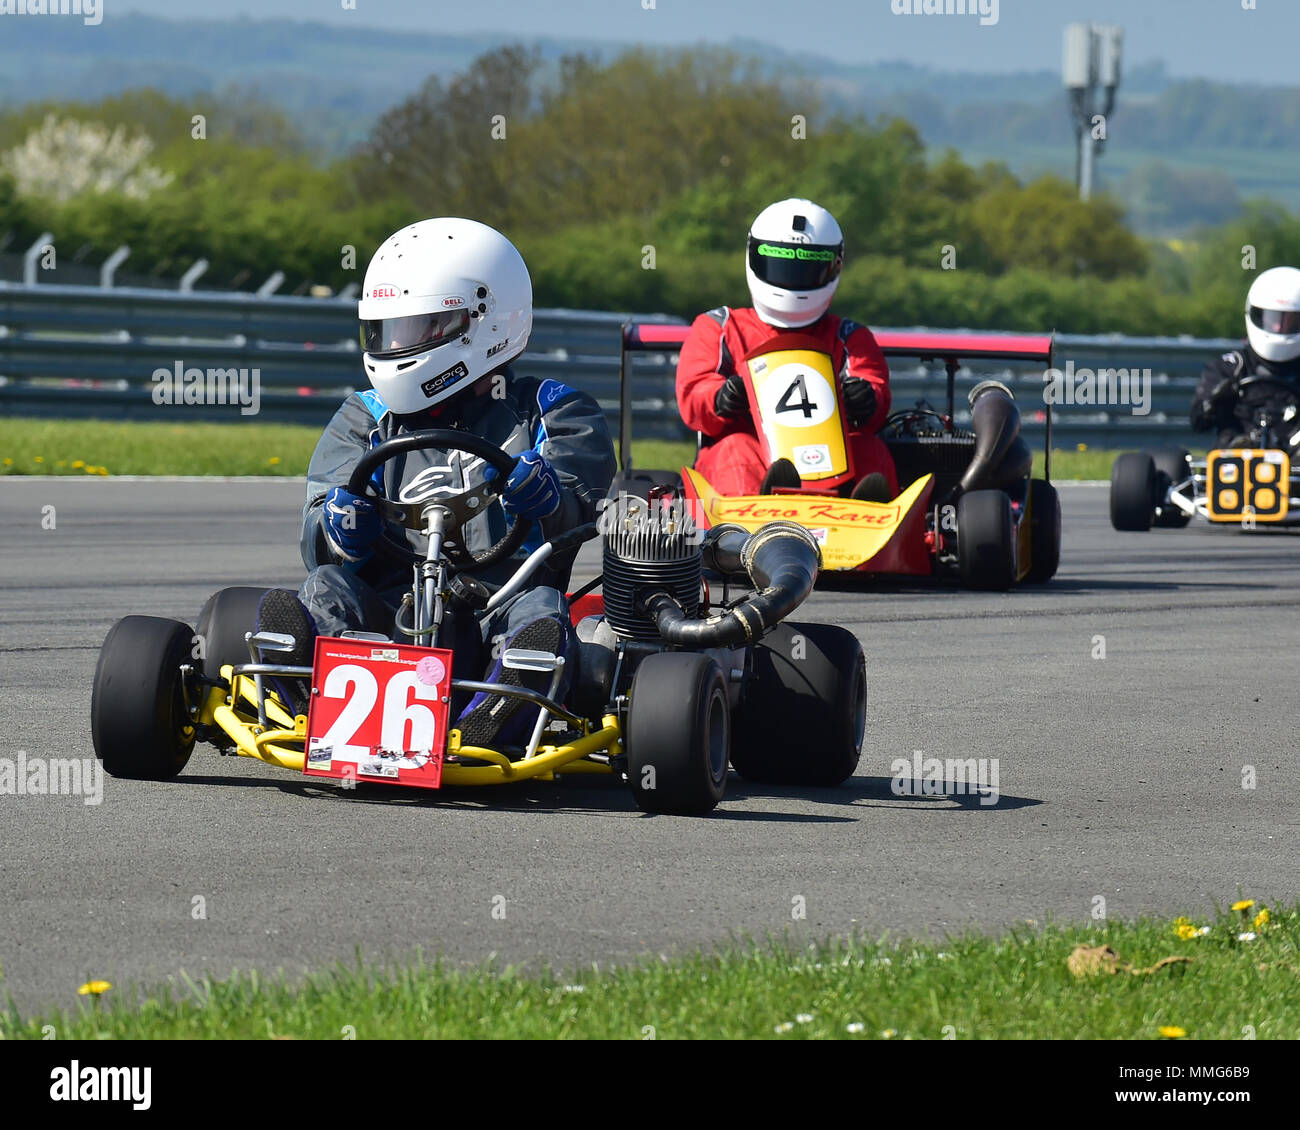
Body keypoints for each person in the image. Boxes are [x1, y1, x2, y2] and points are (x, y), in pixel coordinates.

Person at [256, 217, 616, 749]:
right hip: (388, 609)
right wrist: (337, 531)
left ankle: (487, 719)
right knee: (321, 591)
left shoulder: (554, 412)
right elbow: (318, 538)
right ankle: (327, 711)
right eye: (387, 330)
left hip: (499, 604)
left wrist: (549, 499)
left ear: (485, 321)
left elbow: (576, 513)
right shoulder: (364, 416)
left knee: (541, 613)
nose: (398, 345)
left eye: (419, 329)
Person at [675, 198, 897, 501]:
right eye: (782, 265)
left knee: (871, 449)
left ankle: (868, 525)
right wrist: (721, 396)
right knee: (734, 449)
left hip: (832, 459)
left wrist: (866, 398)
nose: (792, 279)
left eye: (805, 268)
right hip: (752, 450)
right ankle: (744, 534)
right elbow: (694, 394)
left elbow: (876, 389)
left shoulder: (849, 336)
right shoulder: (721, 327)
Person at [1192, 265, 1300, 446]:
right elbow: (1198, 422)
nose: (1278, 328)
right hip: (1235, 462)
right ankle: (1240, 445)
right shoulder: (1231, 367)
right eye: (1272, 320)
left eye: (1290, 322)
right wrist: (1214, 401)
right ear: (1255, 315)